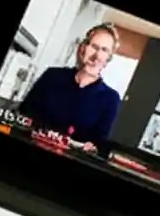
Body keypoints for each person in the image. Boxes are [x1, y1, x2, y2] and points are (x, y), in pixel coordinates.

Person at [17, 23, 123, 154]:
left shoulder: (111, 98)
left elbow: (99, 144)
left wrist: (91, 148)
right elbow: (23, 114)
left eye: (104, 50)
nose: (97, 56)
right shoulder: (52, 76)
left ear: (108, 58)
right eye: (94, 47)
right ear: (82, 47)